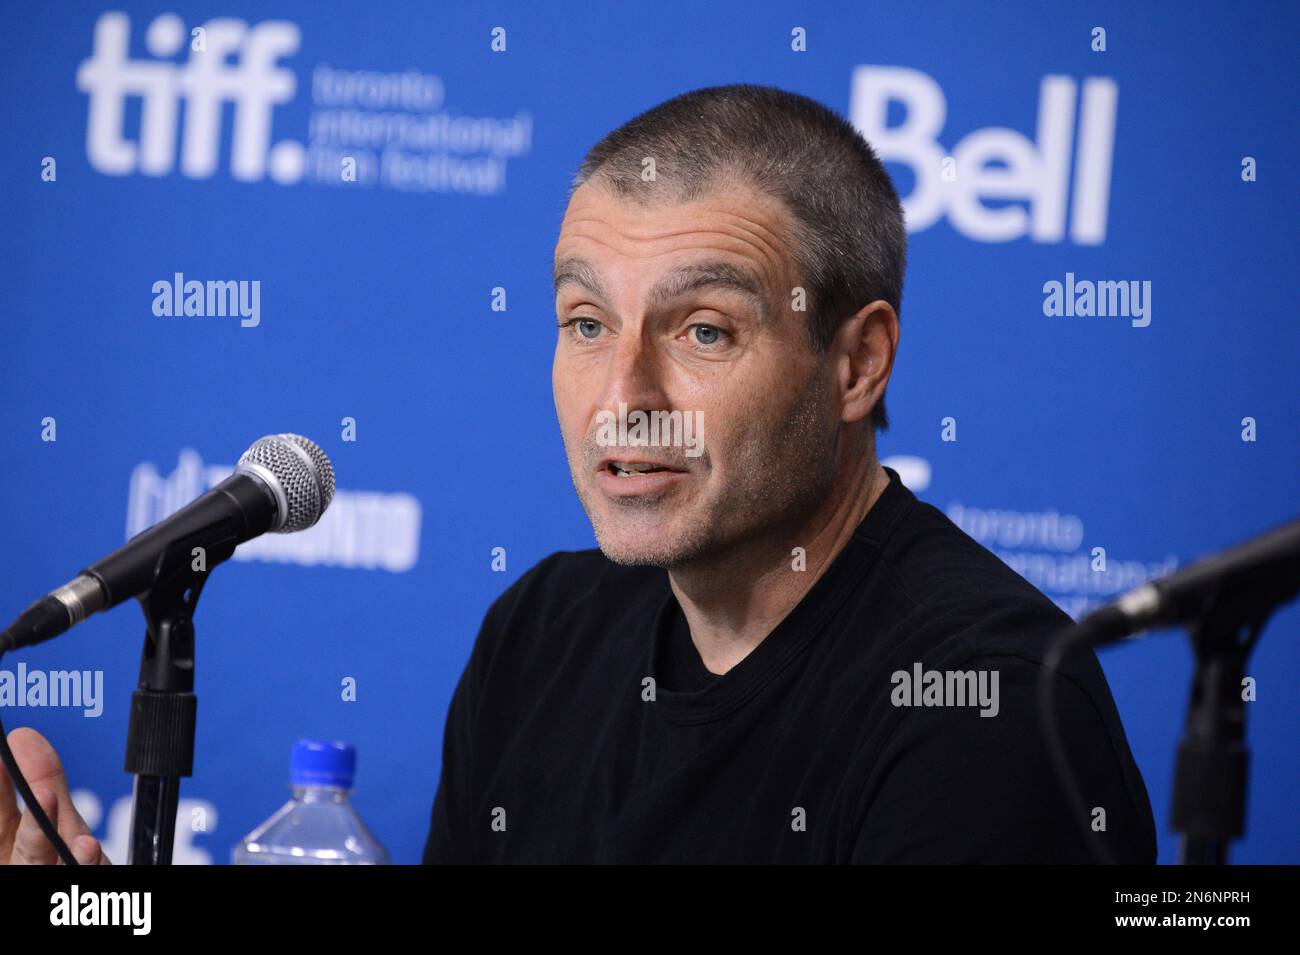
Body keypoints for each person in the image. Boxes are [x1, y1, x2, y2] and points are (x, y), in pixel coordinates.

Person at [1, 84, 1156, 865]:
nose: (624, 395)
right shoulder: (544, 627)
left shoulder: (986, 706)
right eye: (586, 320)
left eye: (704, 330)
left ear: (855, 363)